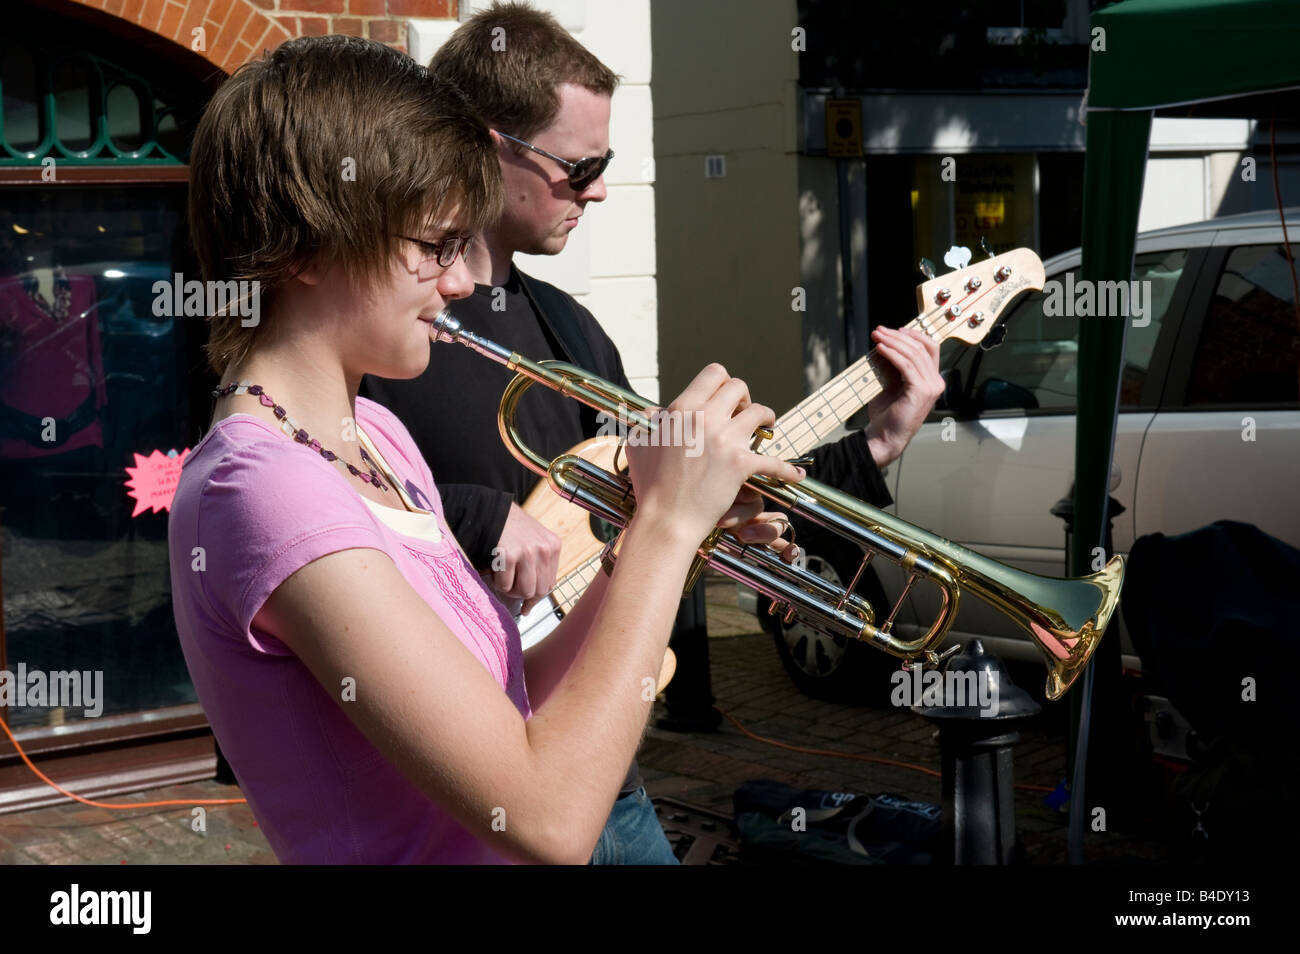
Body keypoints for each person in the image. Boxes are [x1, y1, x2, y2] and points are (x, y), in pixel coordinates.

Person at [167, 34, 801, 865]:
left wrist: (650, 551)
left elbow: (511, 695)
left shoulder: (376, 435)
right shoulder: (261, 490)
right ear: (309, 247)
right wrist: (666, 532)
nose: (462, 281)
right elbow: (546, 818)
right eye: (435, 247)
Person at [361, 2, 944, 862]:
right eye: (581, 164)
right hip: (451, 781)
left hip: (599, 763)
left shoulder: (573, 331)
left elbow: (682, 489)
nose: (598, 188)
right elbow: (301, 485)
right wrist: (478, 517)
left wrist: (875, 443)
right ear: (491, 147)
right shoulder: (378, 320)